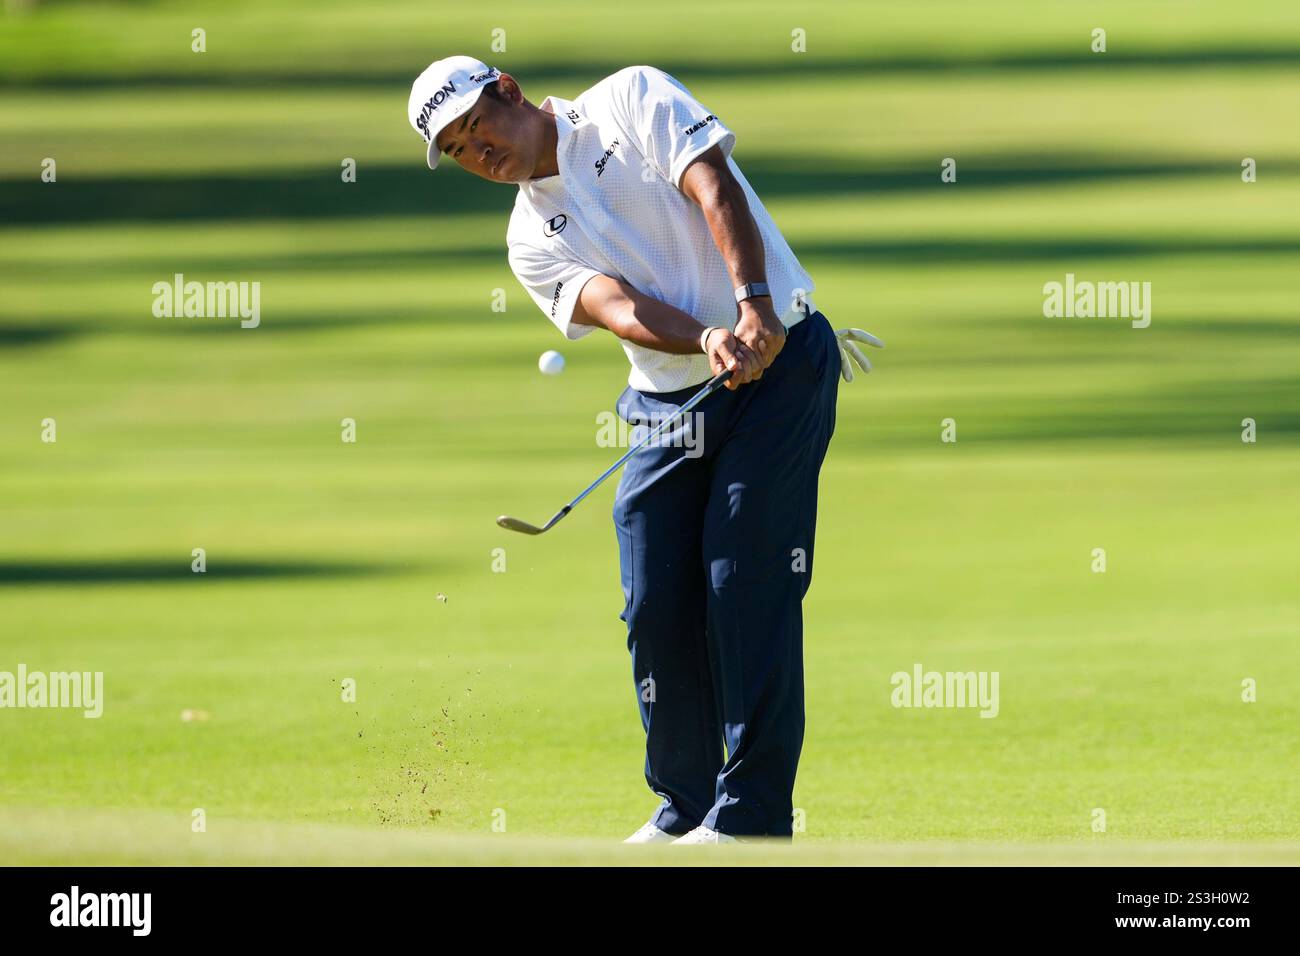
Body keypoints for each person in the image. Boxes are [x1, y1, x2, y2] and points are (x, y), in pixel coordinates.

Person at [408, 55, 882, 843]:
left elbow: (711, 186)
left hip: (783, 363)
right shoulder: (528, 236)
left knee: (744, 581)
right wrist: (706, 337)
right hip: (672, 402)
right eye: (458, 150)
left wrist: (753, 306)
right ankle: (685, 806)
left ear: (509, 93)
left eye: (476, 127)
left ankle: (753, 820)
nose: (478, 153)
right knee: (655, 600)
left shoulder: (630, 97)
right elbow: (616, 306)